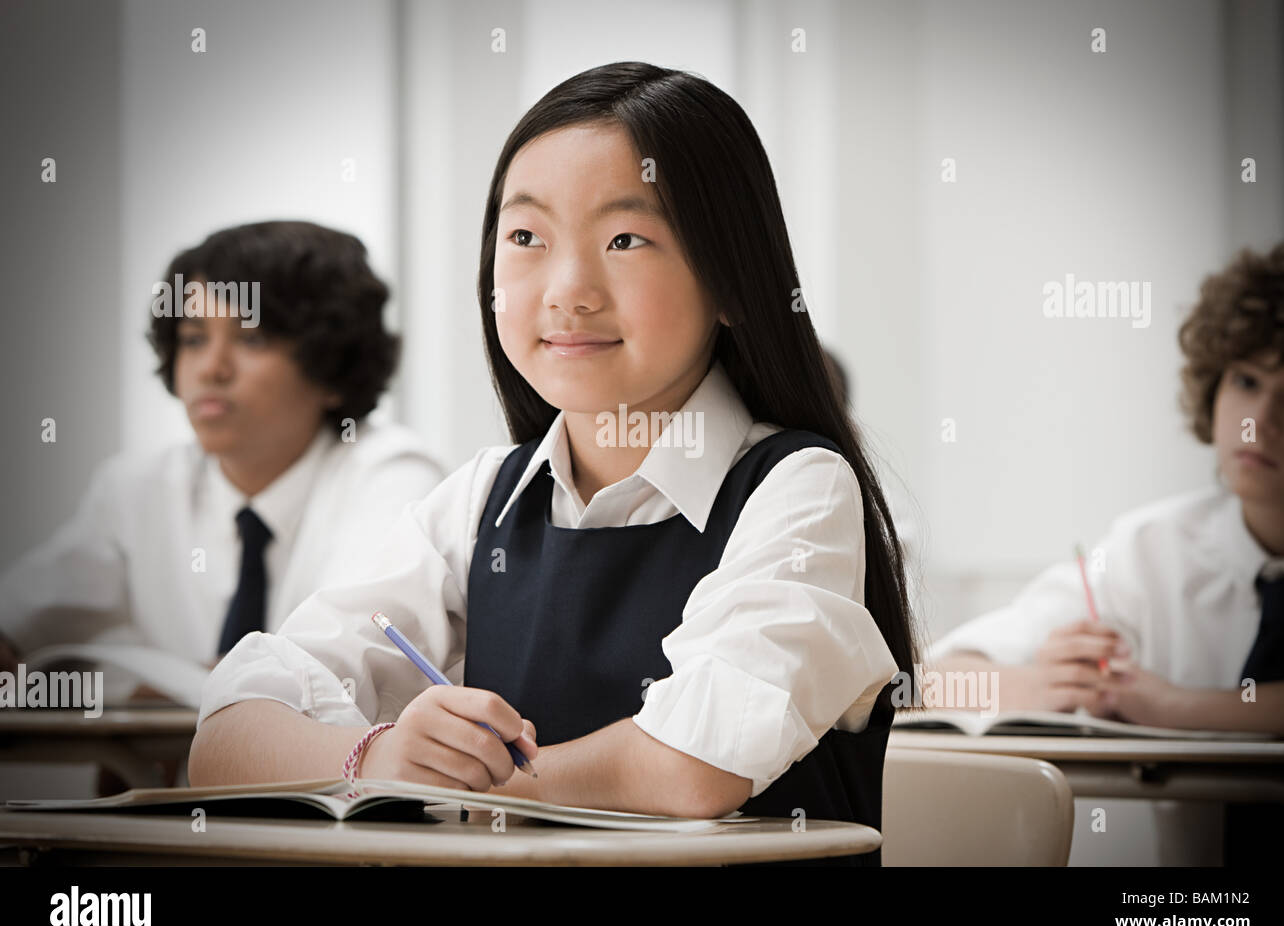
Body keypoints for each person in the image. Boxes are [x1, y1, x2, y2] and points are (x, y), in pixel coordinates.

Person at [189, 62, 918, 866]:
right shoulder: (478, 502)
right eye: (527, 237)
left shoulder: (797, 488)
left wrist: (456, 790)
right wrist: (378, 761)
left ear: (731, 281)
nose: (567, 290)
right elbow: (229, 731)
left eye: (626, 239)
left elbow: (692, 769)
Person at [926, 236, 1284, 864]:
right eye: (1246, 380)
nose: (1256, 422)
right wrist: (1036, 684)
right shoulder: (1151, 550)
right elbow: (931, 683)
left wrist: (1174, 707)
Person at [0, 221, 444, 703]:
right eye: (192, 339)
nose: (210, 368)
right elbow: (18, 622)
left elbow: (334, 674)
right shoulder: (137, 489)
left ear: (333, 367)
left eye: (250, 339)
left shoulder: (392, 476)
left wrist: (145, 688)